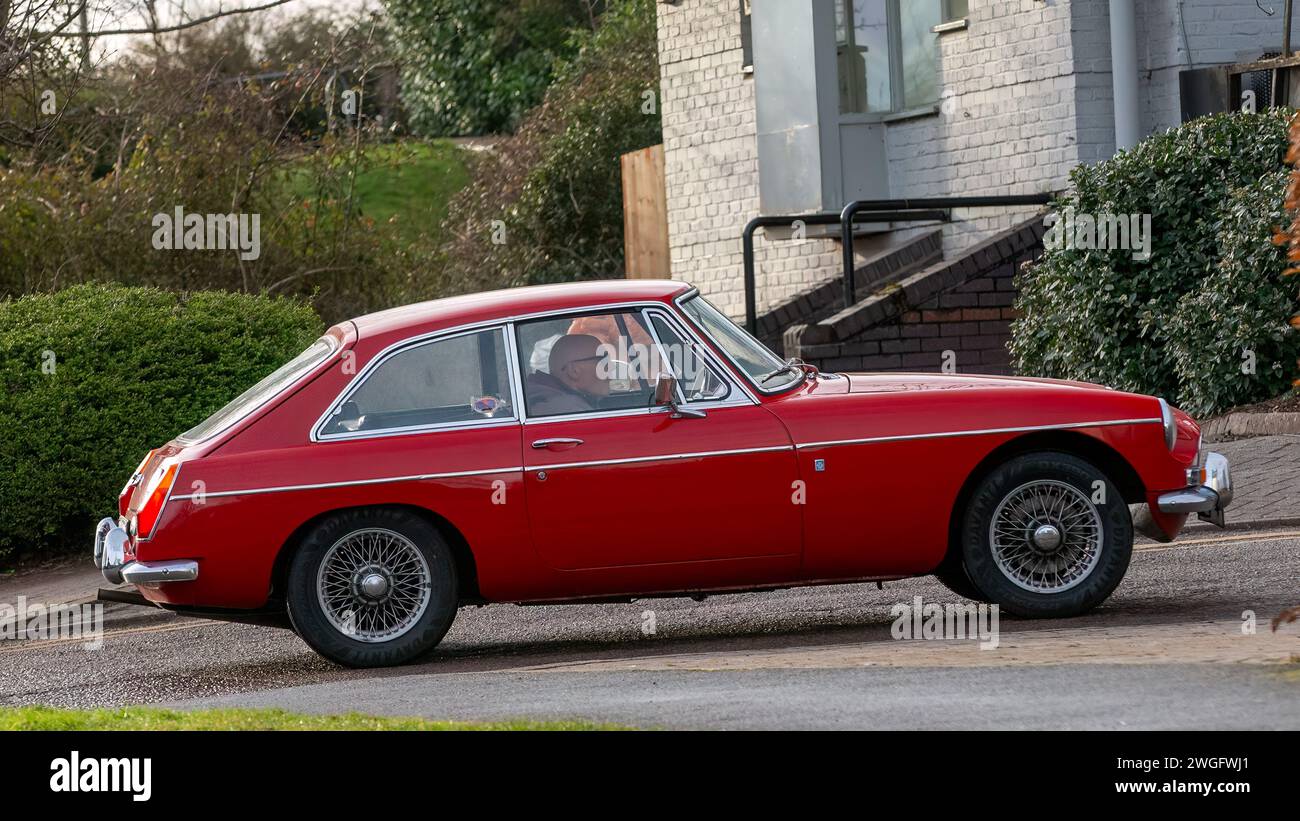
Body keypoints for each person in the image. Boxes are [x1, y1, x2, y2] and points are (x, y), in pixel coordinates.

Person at [525, 333, 611, 415]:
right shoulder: (573, 411)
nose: (611, 367)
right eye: (603, 360)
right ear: (574, 371)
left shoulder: (547, 400)